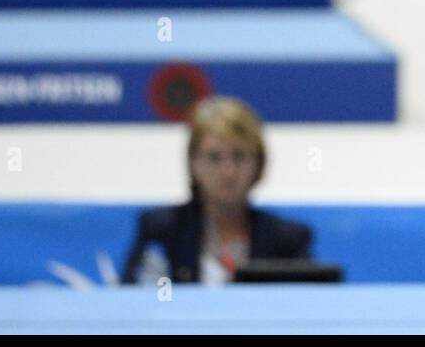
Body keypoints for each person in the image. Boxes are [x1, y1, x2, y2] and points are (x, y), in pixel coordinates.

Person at [120, 96, 313, 285]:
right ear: (193, 163)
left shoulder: (287, 240)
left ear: (258, 163)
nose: (228, 172)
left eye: (239, 156)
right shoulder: (162, 231)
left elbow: (305, 310)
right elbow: (141, 303)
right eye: (214, 157)